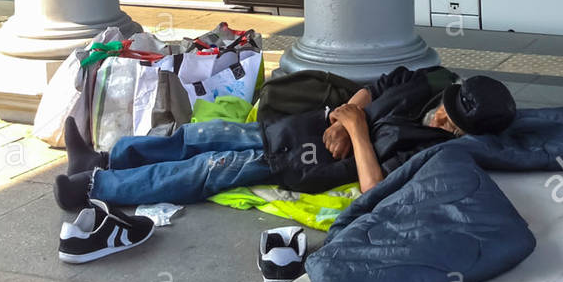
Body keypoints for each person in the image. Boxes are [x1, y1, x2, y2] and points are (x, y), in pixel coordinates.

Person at [53, 69, 518, 221]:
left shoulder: (436, 150)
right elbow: (375, 86)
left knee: (209, 168)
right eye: (445, 111)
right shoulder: (430, 85)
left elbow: (376, 191)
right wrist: (347, 114)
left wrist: (356, 133)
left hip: (312, 162)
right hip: (306, 127)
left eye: (452, 125)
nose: (441, 120)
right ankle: (104, 156)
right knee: (200, 134)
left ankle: (97, 187)